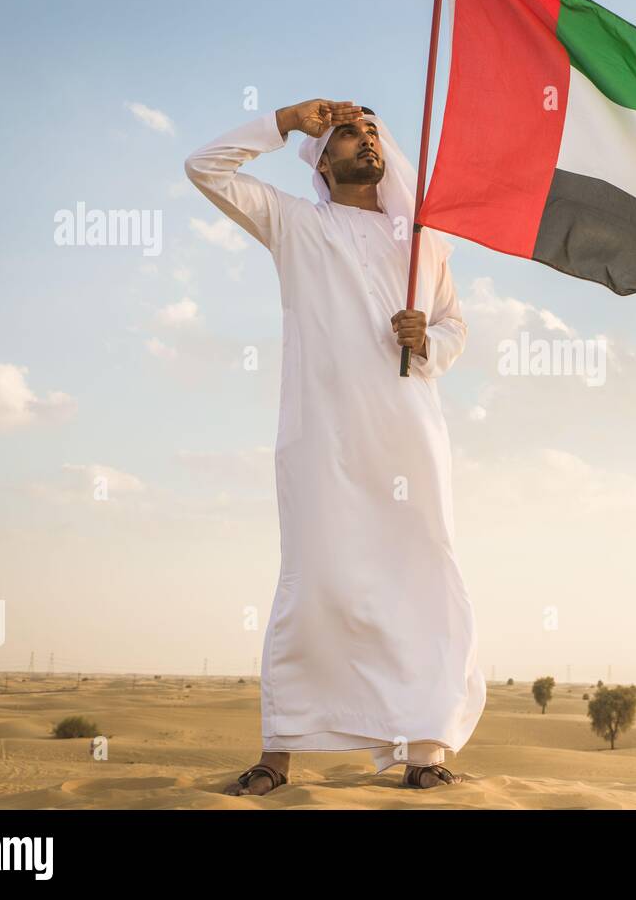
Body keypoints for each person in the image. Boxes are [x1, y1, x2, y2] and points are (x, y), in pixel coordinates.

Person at [183, 99, 485, 794]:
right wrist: (285, 119)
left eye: (373, 130)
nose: (365, 139)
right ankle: (279, 752)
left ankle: (426, 750)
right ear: (324, 159)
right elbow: (204, 167)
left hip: (409, 435)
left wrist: (428, 340)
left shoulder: (423, 243)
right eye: (349, 132)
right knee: (315, 577)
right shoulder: (296, 224)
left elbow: (455, 324)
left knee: (423, 581)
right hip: (322, 438)